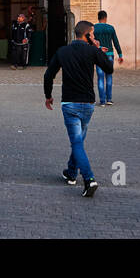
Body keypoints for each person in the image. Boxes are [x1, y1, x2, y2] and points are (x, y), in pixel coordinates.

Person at [43, 20, 112, 198]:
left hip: (70, 104)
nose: (94, 37)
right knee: (78, 141)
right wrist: (97, 49)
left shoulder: (62, 51)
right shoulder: (92, 50)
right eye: (93, 34)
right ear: (87, 34)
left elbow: (49, 74)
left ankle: (89, 179)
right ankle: (72, 172)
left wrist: (48, 95)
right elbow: (109, 68)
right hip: (87, 104)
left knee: (77, 142)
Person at [92, 11, 123, 104]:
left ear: (98, 18)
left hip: (98, 55)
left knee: (100, 77)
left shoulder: (94, 28)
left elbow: (91, 42)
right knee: (109, 76)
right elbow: (115, 42)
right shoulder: (111, 28)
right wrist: (120, 54)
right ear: (105, 18)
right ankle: (109, 99)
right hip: (109, 54)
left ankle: (102, 101)